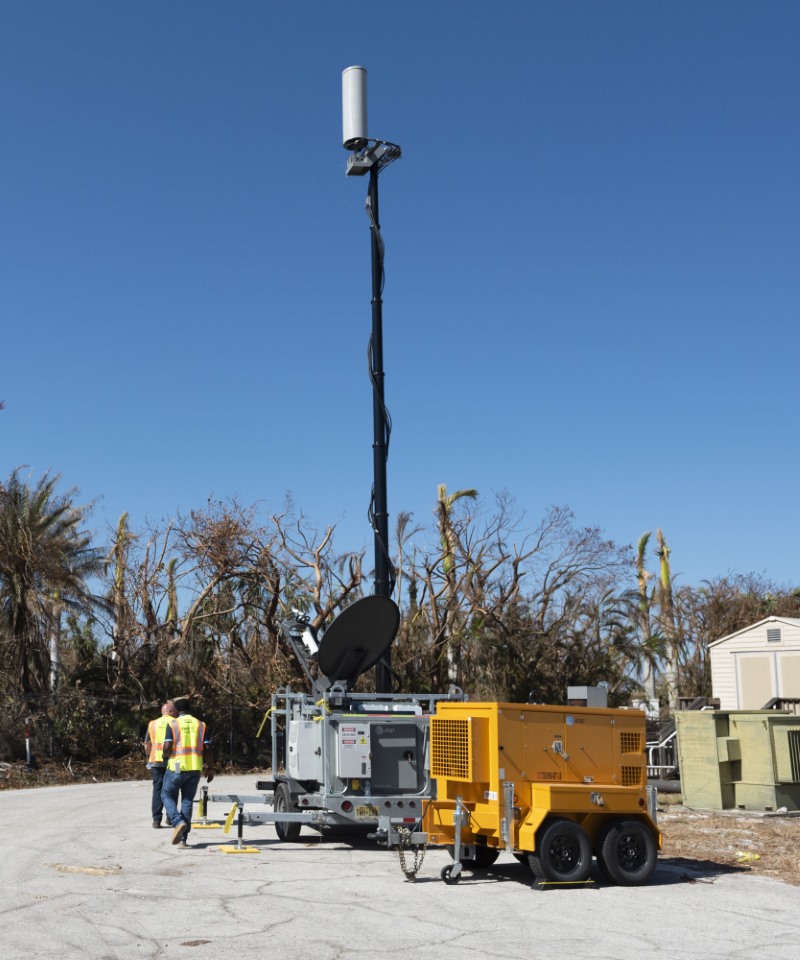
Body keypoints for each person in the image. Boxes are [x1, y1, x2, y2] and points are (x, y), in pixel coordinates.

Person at [161, 697, 215, 846]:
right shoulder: (201, 725)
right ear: (190, 709)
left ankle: (177, 822)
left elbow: (167, 747)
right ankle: (183, 840)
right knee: (187, 801)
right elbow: (208, 748)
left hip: (177, 768)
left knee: (165, 794)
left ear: (177, 711)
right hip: (195, 769)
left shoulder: (172, 724)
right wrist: (210, 768)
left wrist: (164, 755)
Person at [143, 700, 177, 828]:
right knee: (172, 789)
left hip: (155, 761)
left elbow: (147, 743)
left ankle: (156, 820)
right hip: (171, 762)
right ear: (172, 711)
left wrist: (148, 757)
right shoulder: (175, 723)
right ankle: (171, 818)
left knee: (157, 789)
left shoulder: (152, 724)